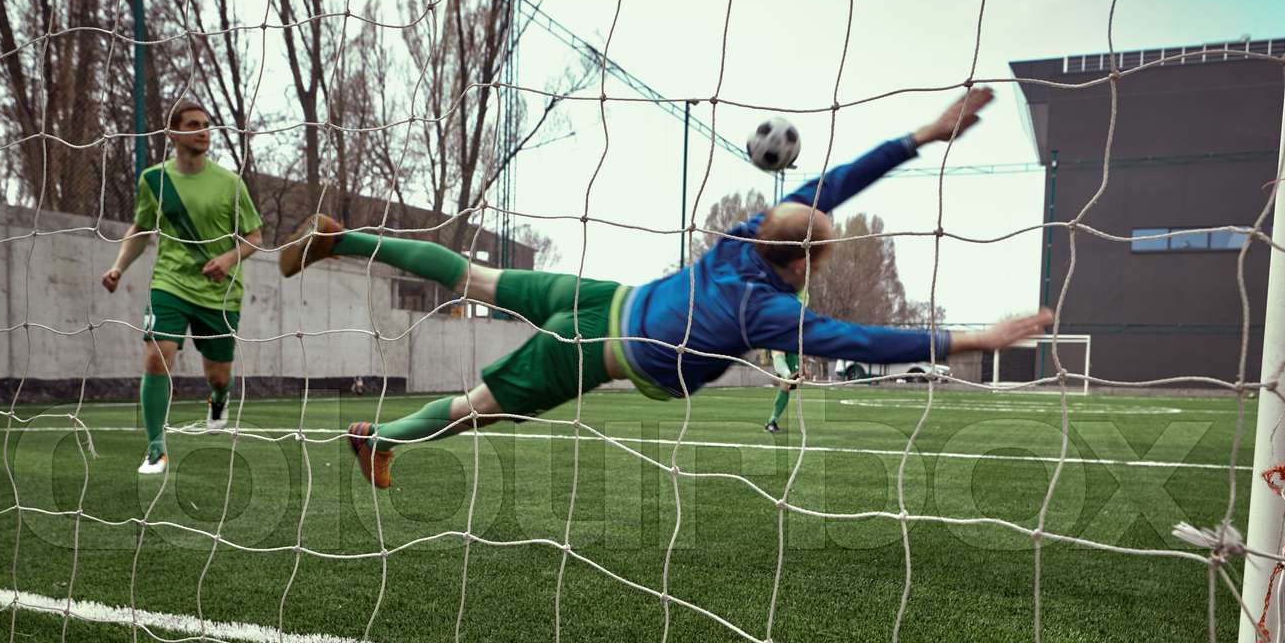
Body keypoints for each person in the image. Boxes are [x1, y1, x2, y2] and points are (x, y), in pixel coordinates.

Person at [280, 87, 1051, 489]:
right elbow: (860, 340)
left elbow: (834, 184)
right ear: (806, 266)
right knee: (477, 410)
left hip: (596, 295)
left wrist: (924, 134)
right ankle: (380, 441)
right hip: (596, 349)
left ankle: (341, 238)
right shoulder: (768, 307)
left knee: (476, 274)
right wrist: (972, 338)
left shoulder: (745, 234)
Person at [102, 101, 264, 475]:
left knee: (218, 374)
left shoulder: (230, 184)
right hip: (170, 283)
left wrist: (226, 259)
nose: (203, 131)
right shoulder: (154, 180)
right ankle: (156, 448)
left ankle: (218, 399)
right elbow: (141, 229)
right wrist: (118, 267)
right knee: (158, 355)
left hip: (219, 293)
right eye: (193, 125)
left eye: (207, 125)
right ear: (173, 134)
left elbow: (254, 236)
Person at [763, 350, 801, 433]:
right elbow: (778, 358)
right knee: (786, 383)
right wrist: (787, 374)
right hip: (781, 346)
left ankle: (772, 422)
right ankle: (771, 422)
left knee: (787, 386)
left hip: (792, 348)